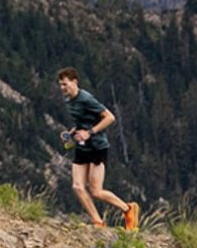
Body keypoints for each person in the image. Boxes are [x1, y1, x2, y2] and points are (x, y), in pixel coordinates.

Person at [56, 68, 139, 229]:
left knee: (95, 191)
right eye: (60, 85)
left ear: (74, 82)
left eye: (65, 84)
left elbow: (110, 117)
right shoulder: (69, 101)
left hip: (97, 147)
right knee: (77, 186)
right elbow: (83, 120)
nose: (62, 88)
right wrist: (71, 132)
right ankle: (98, 222)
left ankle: (128, 209)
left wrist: (90, 132)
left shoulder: (86, 98)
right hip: (82, 147)